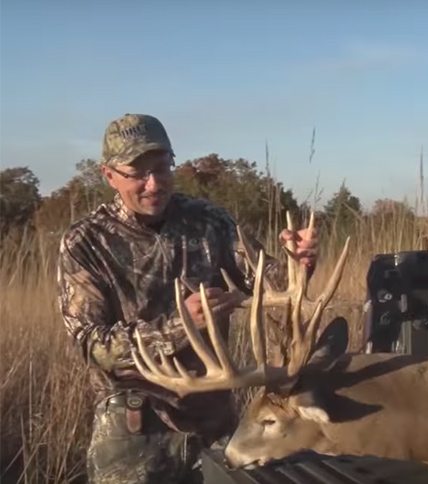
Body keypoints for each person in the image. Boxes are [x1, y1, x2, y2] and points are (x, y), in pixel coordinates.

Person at [57, 113, 319, 484]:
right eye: (137, 172)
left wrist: (300, 263)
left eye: (162, 168)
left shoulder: (209, 221)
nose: (154, 183)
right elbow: (90, 344)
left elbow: (265, 282)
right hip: (134, 429)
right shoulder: (85, 242)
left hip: (213, 424)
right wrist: (181, 326)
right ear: (109, 175)